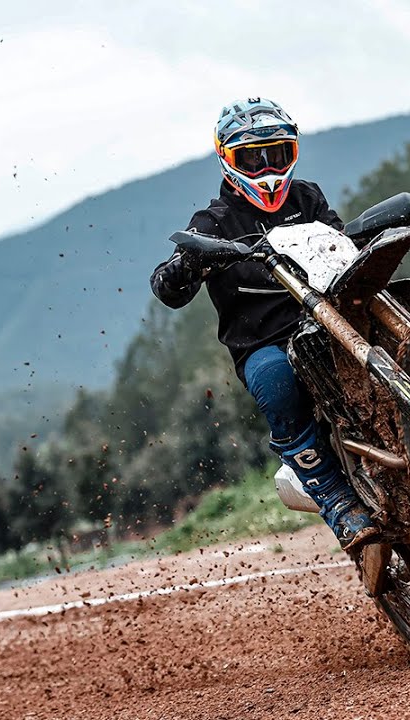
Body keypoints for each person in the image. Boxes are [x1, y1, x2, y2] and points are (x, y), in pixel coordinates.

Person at [149, 97, 379, 555]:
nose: (266, 166)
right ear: (227, 160)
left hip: (332, 319)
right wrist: (188, 264)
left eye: (277, 154)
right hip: (265, 341)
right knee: (274, 379)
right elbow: (167, 288)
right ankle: (336, 501)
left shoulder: (307, 197)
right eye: (251, 158)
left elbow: (340, 241)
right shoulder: (212, 222)